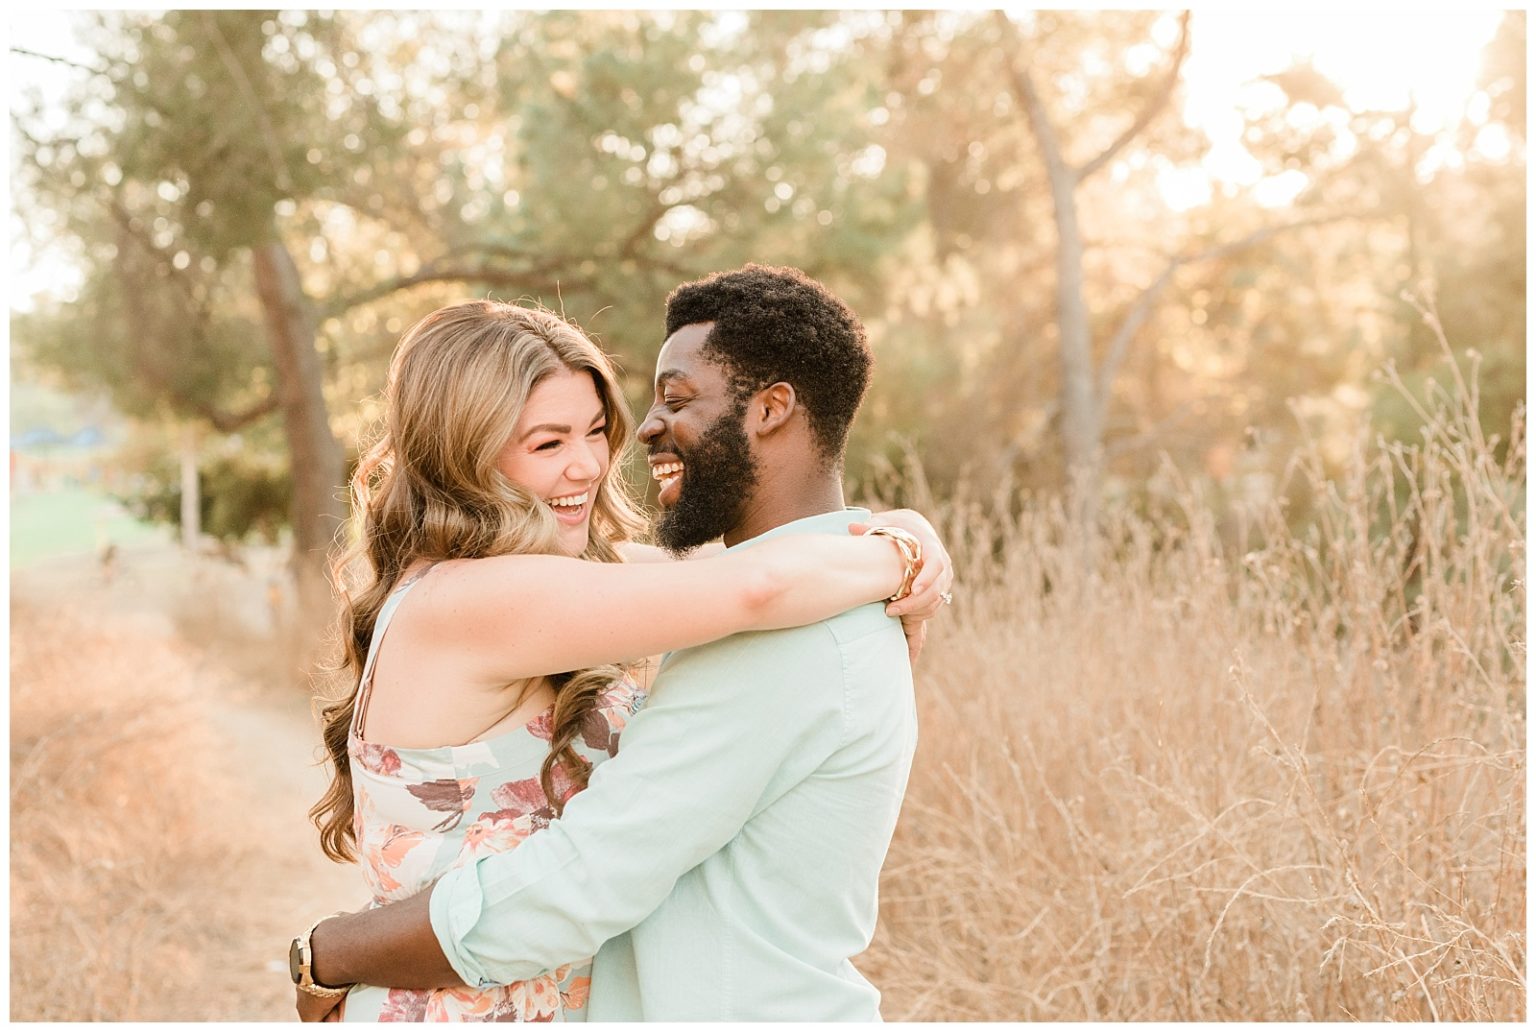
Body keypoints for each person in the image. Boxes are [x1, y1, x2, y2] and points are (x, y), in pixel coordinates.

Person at [294, 278, 952, 1021]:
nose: (590, 465)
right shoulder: (470, 600)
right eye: (548, 443)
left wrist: (907, 532)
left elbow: (729, 574)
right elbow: (753, 588)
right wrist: (898, 558)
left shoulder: (567, 580)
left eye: (593, 431)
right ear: (465, 457)